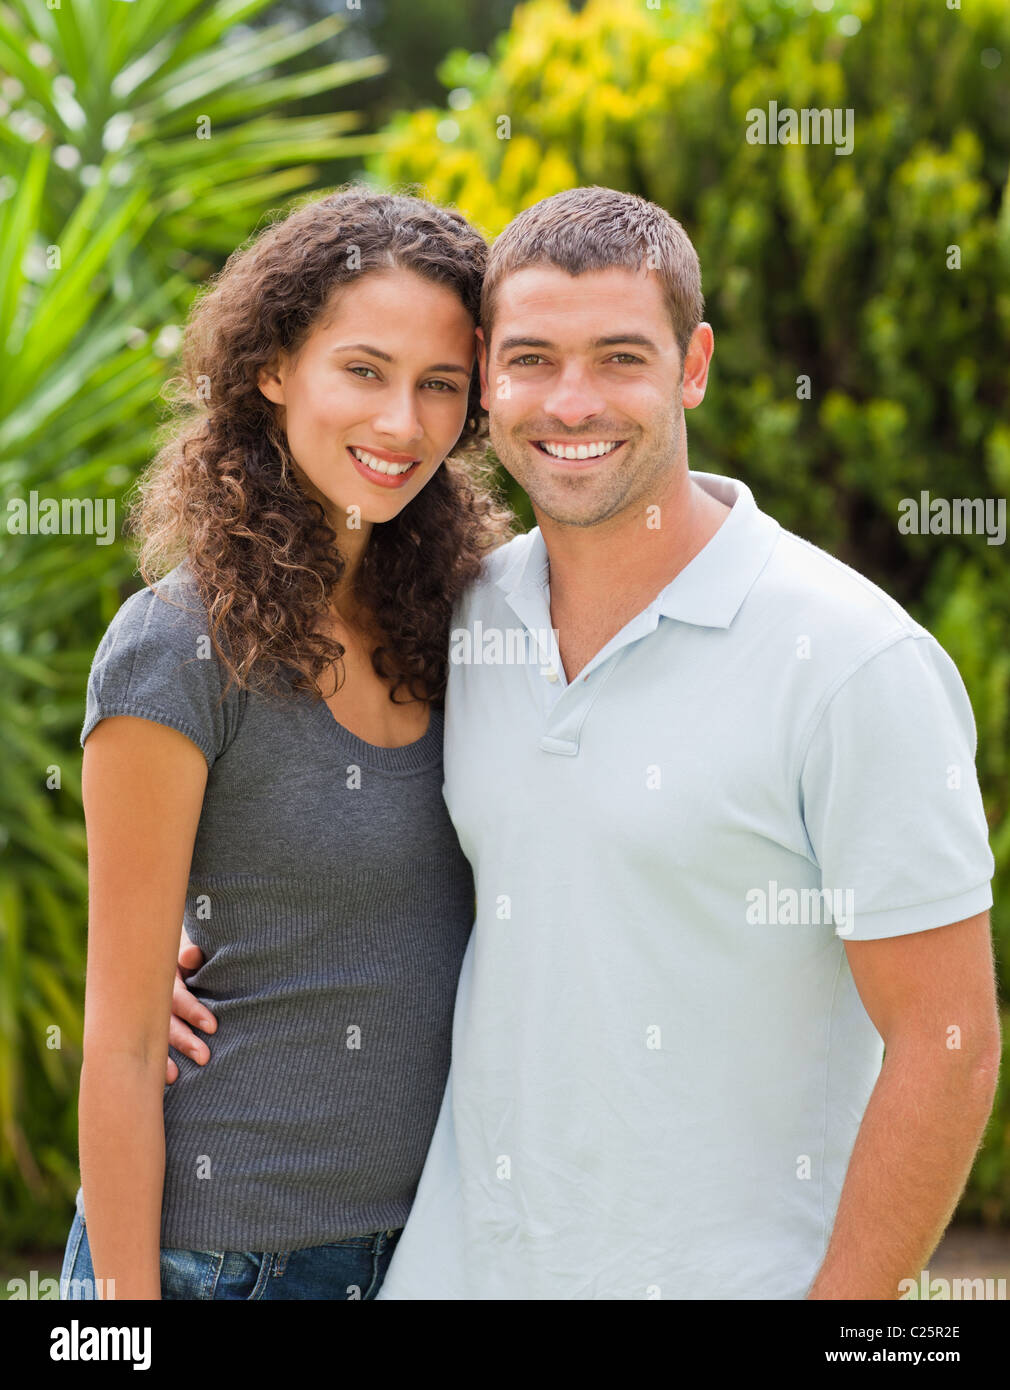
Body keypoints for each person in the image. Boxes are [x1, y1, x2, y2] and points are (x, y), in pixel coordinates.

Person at [170, 186, 1000, 1300]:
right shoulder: (456, 617)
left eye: (618, 356)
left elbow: (948, 1041)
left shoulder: (851, 662)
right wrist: (192, 933)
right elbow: (333, 810)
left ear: (691, 365)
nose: (571, 402)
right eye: (529, 359)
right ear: (485, 375)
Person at [59, 186, 514, 1301]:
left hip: (427, 1251)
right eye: (362, 370)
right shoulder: (174, 648)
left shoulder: (468, 625)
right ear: (272, 366)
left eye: (439, 385)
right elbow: (118, 1048)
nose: (401, 424)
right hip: (213, 1262)